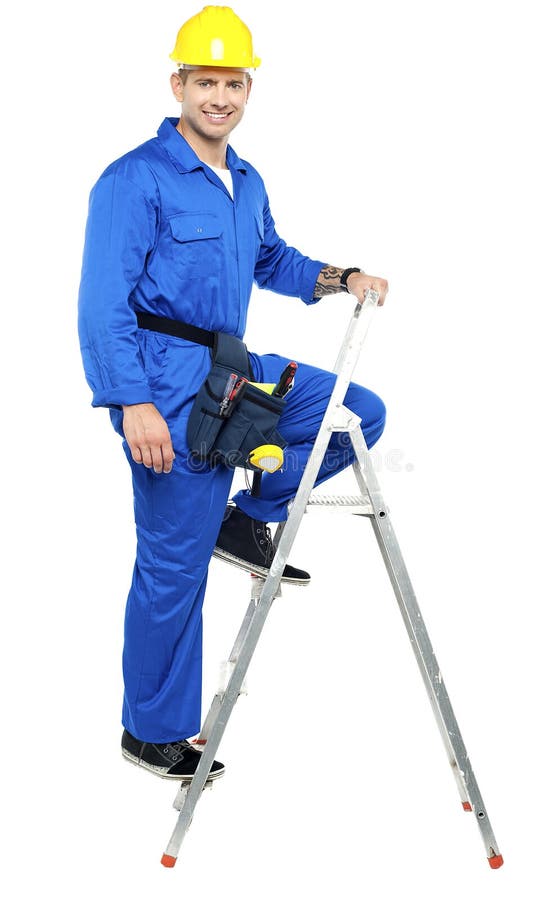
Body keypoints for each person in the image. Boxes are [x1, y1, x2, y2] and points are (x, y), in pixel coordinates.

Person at [78, 5, 389, 783]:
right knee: (173, 569)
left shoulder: (244, 181)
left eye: (233, 84)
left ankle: (248, 519)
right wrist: (131, 403)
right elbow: (101, 304)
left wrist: (342, 277)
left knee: (355, 414)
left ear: (248, 89)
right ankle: (151, 731)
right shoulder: (134, 179)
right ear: (177, 85)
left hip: (233, 370)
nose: (219, 97)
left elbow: (272, 259)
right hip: (167, 389)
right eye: (205, 82)